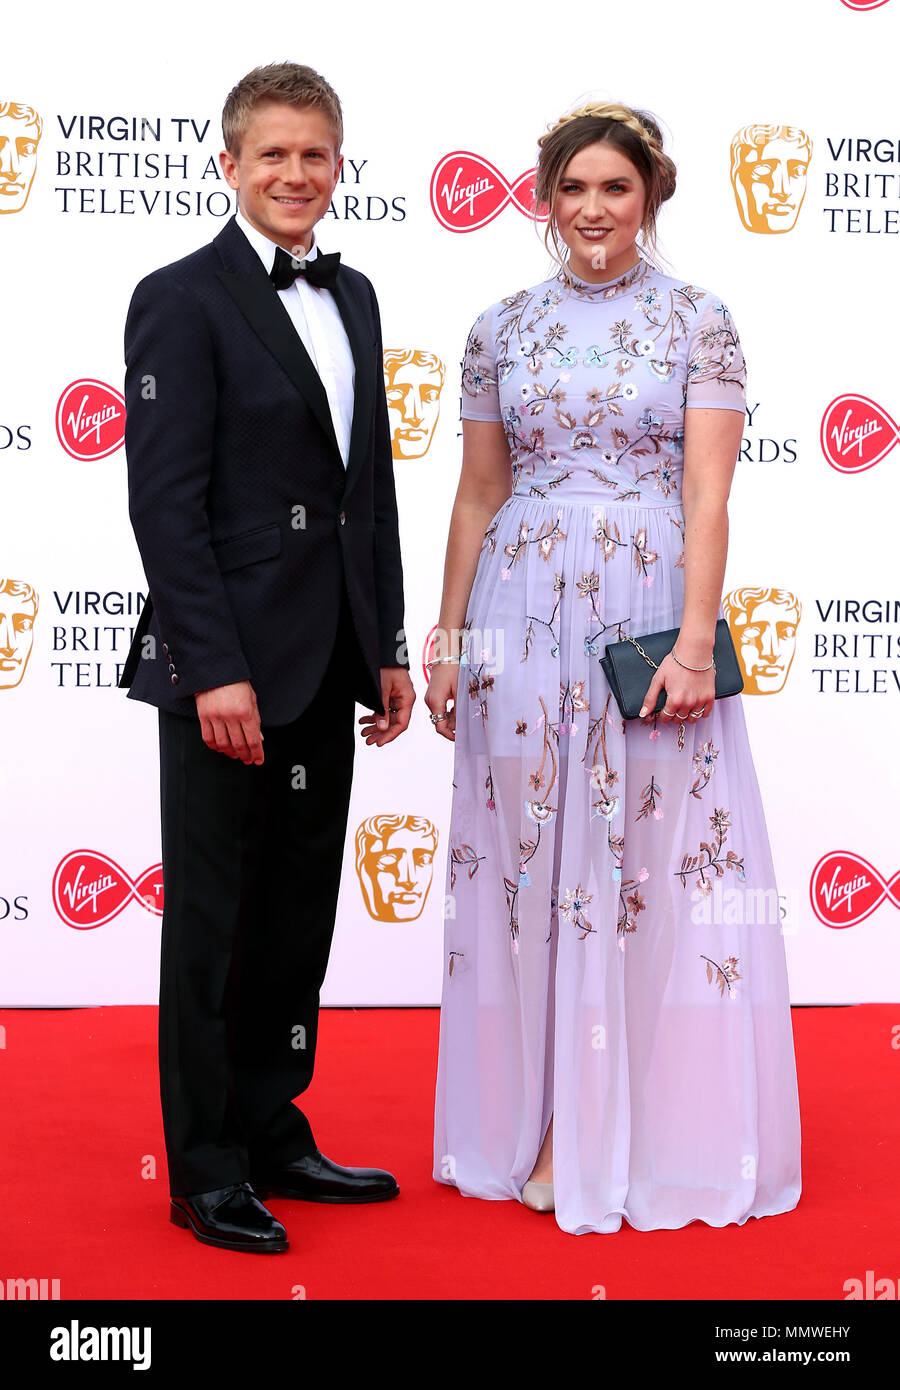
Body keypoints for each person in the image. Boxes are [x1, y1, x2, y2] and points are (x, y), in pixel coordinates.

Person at [428, 101, 801, 1235]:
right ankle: (544, 1126)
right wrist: (449, 638)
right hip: (521, 613)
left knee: (643, 869)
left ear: (651, 197)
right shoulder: (500, 327)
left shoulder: (699, 321)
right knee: (533, 871)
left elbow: (707, 493)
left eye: (616, 189)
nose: (594, 209)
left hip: (643, 610)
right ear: (543, 199)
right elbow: (481, 494)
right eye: (574, 189)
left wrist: (697, 639)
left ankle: (633, 1132)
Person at [119, 62, 415, 1253]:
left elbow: (369, 491)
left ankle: (272, 1123)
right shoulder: (178, 299)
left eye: (318, 156)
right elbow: (164, 503)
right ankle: (202, 1167)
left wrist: (384, 643)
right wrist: (215, 665)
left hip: (328, 654)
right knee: (212, 923)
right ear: (230, 165)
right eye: (275, 155)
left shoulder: (358, 295)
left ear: (338, 167)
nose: (298, 175)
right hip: (224, 666)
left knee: (296, 918)